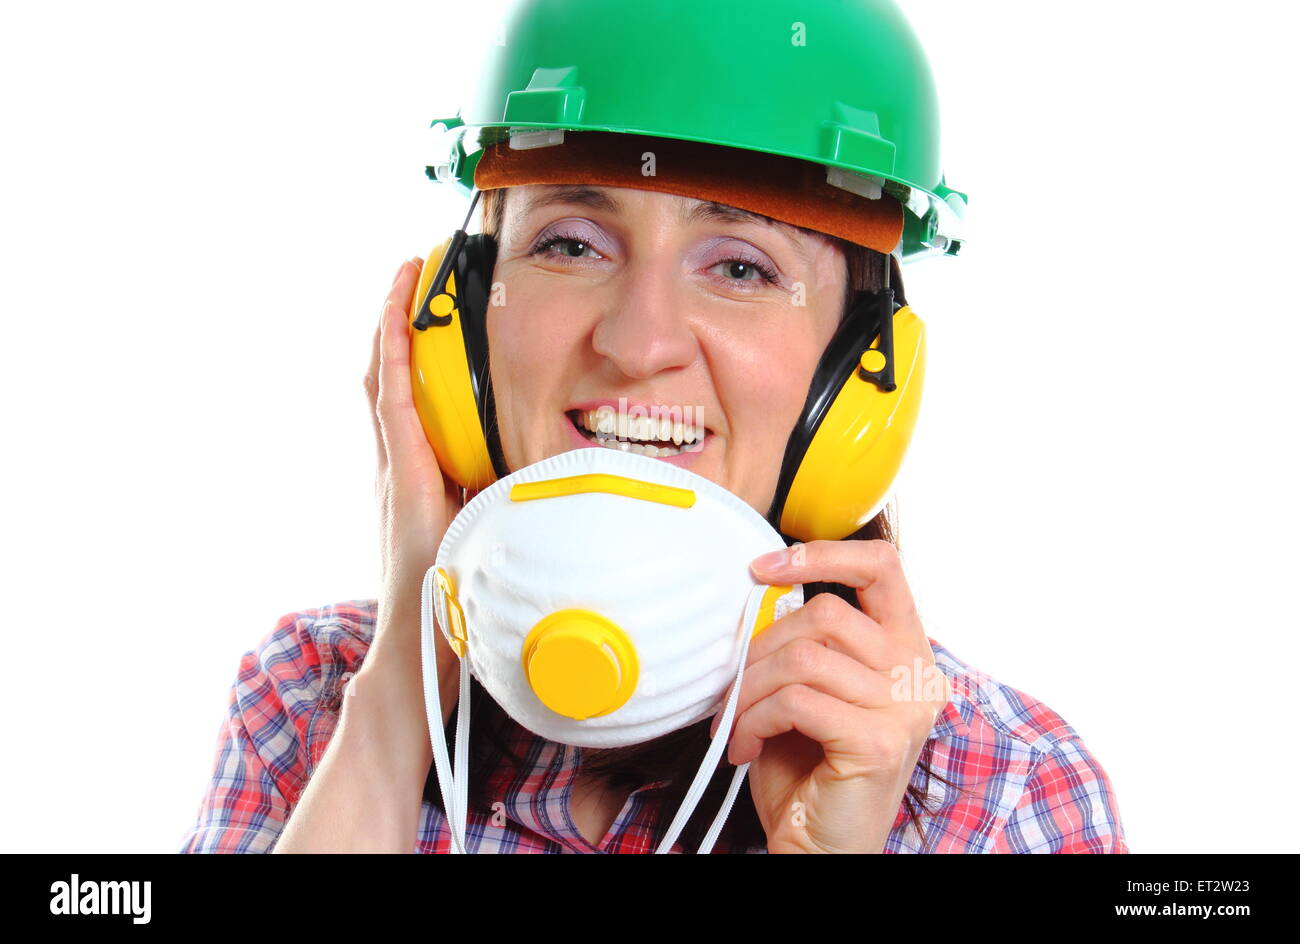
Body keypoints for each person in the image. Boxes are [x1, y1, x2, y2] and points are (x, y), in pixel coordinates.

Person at [178, 0, 1127, 854]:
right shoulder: (309, 700)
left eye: (743, 268)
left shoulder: (1004, 792)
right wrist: (397, 701)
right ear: (459, 329)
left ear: (854, 384)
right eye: (572, 244)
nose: (638, 343)